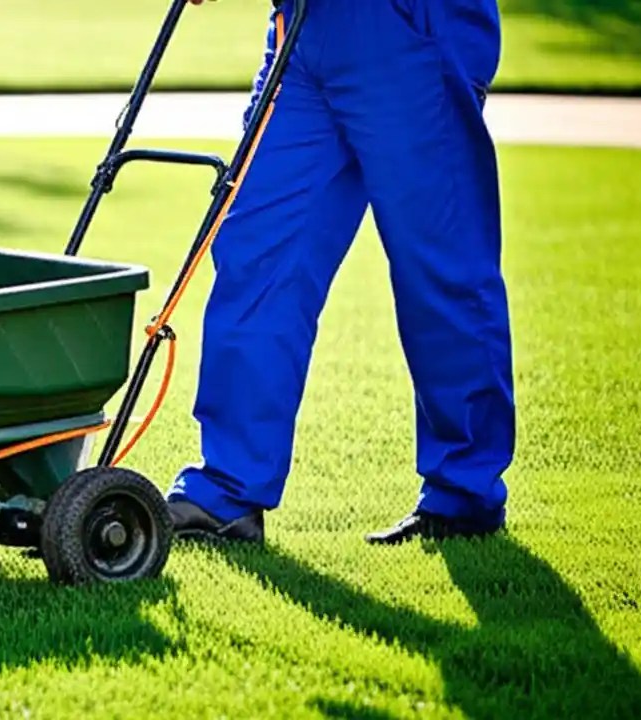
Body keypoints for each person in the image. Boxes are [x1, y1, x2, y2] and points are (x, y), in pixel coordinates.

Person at [167, 0, 515, 545]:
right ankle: (227, 492)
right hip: (305, 28)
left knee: (440, 269)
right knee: (258, 255)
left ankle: (463, 492)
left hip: (408, 24)